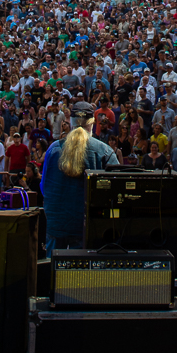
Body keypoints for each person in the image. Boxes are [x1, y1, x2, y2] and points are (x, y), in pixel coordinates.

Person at [40, 103, 119, 255]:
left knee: (52, 271)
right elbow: (114, 194)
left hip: (56, 223)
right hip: (86, 226)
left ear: (71, 121)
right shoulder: (105, 151)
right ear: (92, 122)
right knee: (81, 273)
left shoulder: (53, 149)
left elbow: (44, 187)